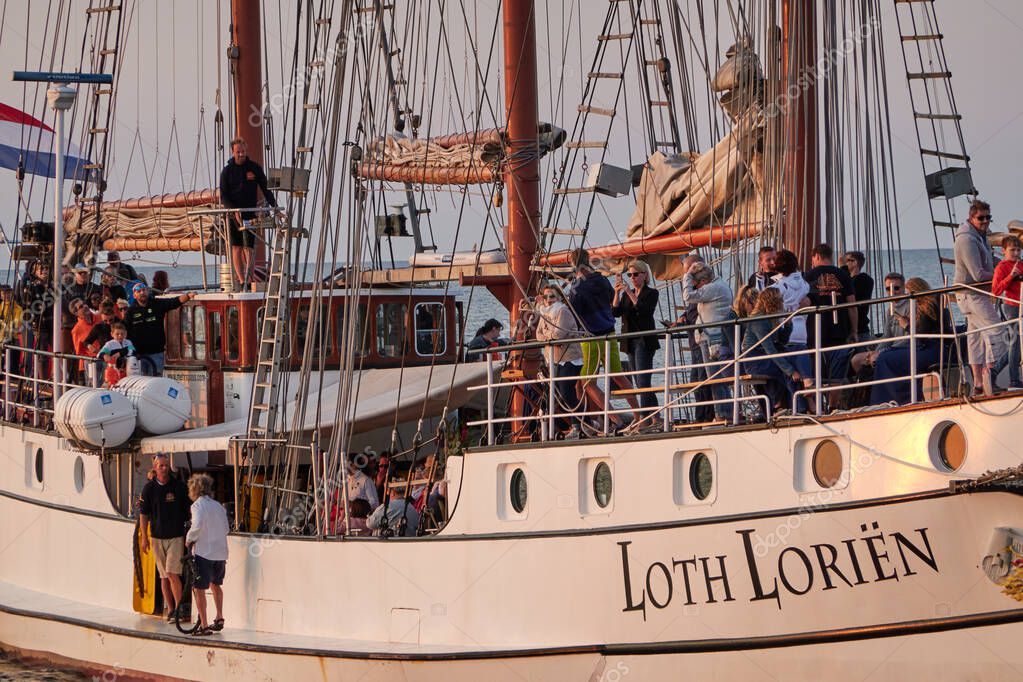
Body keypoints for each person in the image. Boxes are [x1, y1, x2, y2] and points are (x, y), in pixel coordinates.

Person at [570, 258, 637, 428]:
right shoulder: (603, 280)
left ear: (576, 267)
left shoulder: (577, 287)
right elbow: (610, 300)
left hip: (589, 339)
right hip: (609, 334)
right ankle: (640, 414)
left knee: (586, 382)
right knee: (618, 375)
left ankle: (615, 419)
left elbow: (573, 313)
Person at [954, 199, 1009, 395]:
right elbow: (977, 274)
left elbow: (992, 260)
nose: (985, 221)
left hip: (971, 295)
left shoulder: (979, 235)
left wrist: (1009, 265)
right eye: (981, 218)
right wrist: (1004, 276)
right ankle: (990, 378)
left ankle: (978, 383)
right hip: (972, 294)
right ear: (971, 217)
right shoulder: (966, 239)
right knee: (997, 333)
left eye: (988, 218)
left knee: (975, 338)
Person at [870, 278, 947, 405]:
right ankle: (900, 396)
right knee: (886, 355)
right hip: (928, 347)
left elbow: (921, 334)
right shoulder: (927, 305)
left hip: (930, 349)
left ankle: (889, 399)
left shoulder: (927, 308)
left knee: (885, 359)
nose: (907, 296)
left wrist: (906, 325)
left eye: (909, 292)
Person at [139, 454, 191, 623]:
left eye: (166, 465)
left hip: (175, 536)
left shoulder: (178, 486)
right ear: (155, 468)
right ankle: (170, 609)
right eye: (161, 465)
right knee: (163, 576)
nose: (164, 468)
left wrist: (188, 534)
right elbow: (144, 514)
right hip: (156, 537)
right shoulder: (149, 489)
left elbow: (188, 511)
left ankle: (178, 608)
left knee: (172, 573)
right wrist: (144, 538)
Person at [220, 137, 278, 285]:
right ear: (233, 152)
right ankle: (241, 279)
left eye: (243, 151)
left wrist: (275, 207)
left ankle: (250, 277)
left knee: (249, 247)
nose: (241, 154)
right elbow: (223, 196)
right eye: (238, 152)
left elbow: (266, 189)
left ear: (246, 151)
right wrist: (233, 211)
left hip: (250, 212)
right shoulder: (226, 172)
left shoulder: (254, 168)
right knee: (236, 247)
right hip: (233, 214)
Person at [682, 261, 735, 420]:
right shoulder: (718, 285)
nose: (696, 288)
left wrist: (687, 275)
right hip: (712, 337)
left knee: (716, 379)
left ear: (703, 282)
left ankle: (723, 414)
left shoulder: (713, 288)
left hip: (713, 340)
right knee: (718, 379)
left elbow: (687, 296)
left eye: (696, 285)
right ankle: (724, 413)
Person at [741, 288, 801, 416]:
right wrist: (790, 371)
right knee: (785, 369)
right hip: (754, 359)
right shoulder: (759, 320)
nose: (782, 302)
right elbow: (770, 350)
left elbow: (782, 341)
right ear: (773, 302)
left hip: (764, 356)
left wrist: (788, 324)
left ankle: (788, 404)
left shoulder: (771, 318)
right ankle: (782, 405)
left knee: (790, 361)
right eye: (780, 300)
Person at [803, 243, 857, 383]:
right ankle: (833, 404)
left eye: (813, 258)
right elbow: (852, 305)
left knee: (816, 367)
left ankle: (817, 400)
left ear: (817, 256)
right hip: (840, 327)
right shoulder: (843, 274)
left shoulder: (808, 276)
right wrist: (854, 330)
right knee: (838, 367)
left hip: (815, 329)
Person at [612, 260, 660, 416]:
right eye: (629, 275)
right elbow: (615, 312)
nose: (632, 278)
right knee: (639, 382)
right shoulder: (627, 294)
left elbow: (644, 310)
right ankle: (655, 416)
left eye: (635, 274)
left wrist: (629, 292)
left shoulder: (651, 293)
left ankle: (647, 418)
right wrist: (617, 292)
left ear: (644, 275)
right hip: (630, 341)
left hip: (644, 341)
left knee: (643, 381)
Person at [535, 283, 583, 437]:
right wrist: (549, 336)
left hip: (570, 358)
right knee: (556, 393)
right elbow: (538, 334)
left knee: (565, 390)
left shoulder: (563, 312)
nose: (549, 300)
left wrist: (548, 336)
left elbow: (558, 335)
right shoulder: (546, 314)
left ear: (560, 298)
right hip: (555, 359)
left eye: (552, 296)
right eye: (546, 297)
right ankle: (587, 422)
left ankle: (577, 426)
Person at [185, 473, 229, 636]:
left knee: (199, 589)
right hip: (221, 553)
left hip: (204, 553)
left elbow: (197, 524)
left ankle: (203, 625)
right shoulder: (219, 506)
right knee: (216, 584)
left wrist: (189, 539)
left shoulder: (197, 506)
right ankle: (219, 617)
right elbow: (226, 528)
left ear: (194, 489)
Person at [126, 283, 196, 375]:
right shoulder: (130, 311)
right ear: (134, 295)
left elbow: (174, 302)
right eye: (139, 291)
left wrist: (188, 296)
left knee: (155, 380)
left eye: (144, 290)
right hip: (138, 355)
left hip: (156, 353)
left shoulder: (157, 304)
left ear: (148, 291)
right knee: (140, 383)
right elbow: (125, 331)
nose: (142, 293)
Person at [851, 273, 906, 375]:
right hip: (892, 348)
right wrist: (876, 351)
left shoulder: (910, 306)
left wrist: (882, 352)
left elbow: (908, 339)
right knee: (856, 360)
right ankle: (866, 388)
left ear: (904, 288)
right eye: (888, 289)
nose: (892, 292)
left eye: (896, 288)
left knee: (877, 359)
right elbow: (887, 336)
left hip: (903, 349)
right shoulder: (890, 310)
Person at [992, 235, 1023, 389]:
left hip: (1022, 306)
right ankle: (1014, 380)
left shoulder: (1022, 264)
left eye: (1019, 250)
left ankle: (994, 371)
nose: (1016, 253)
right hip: (1011, 307)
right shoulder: (1002, 267)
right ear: (1003, 251)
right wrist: (1011, 276)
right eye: (1013, 250)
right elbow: (996, 290)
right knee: (1015, 343)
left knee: (1017, 346)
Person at [843, 251, 874, 342]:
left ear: (855, 262)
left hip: (860, 329)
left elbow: (850, 291)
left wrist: (842, 269)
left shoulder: (864, 279)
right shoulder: (848, 280)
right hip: (847, 329)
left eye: (847, 261)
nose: (845, 264)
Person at [99, 321, 136, 386]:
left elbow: (133, 351)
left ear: (125, 333)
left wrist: (120, 353)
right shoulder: (109, 344)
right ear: (112, 334)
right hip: (114, 374)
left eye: (122, 334)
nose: (120, 336)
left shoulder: (128, 342)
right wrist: (104, 355)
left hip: (128, 372)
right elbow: (99, 354)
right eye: (117, 334)